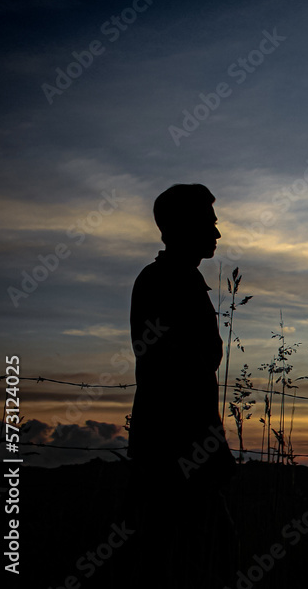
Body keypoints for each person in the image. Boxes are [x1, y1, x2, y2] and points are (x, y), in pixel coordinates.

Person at [125, 183, 237, 588]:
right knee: (187, 562)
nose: (217, 234)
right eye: (209, 222)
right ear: (182, 226)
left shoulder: (181, 281)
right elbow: (179, 375)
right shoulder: (163, 282)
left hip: (182, 452)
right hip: (173, 454)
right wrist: (207, 449)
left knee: (199, 559)